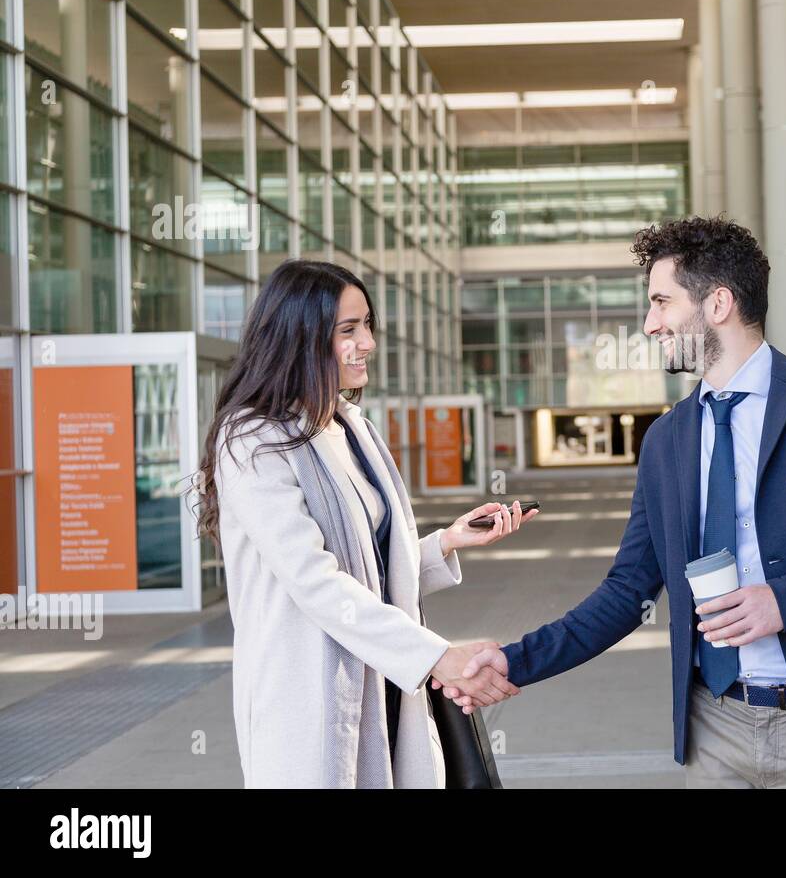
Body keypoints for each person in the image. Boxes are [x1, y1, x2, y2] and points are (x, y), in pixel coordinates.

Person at [443, 215, 786, 788]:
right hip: (715, 732)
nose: (649, 323)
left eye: (661, 302)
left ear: (718, 304)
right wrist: (514, 660)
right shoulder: (667, 440)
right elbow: (629, 591)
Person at [193, 259, 537, 788]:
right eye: (348, 330)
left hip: (386, 687)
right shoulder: (251, 440)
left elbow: (369, 569)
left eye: (368, 325)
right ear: (300, 338)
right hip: (309, 699)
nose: (368, 342)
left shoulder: (351, 426)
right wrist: (435, 656)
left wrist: (445, 541)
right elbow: (315, 581)